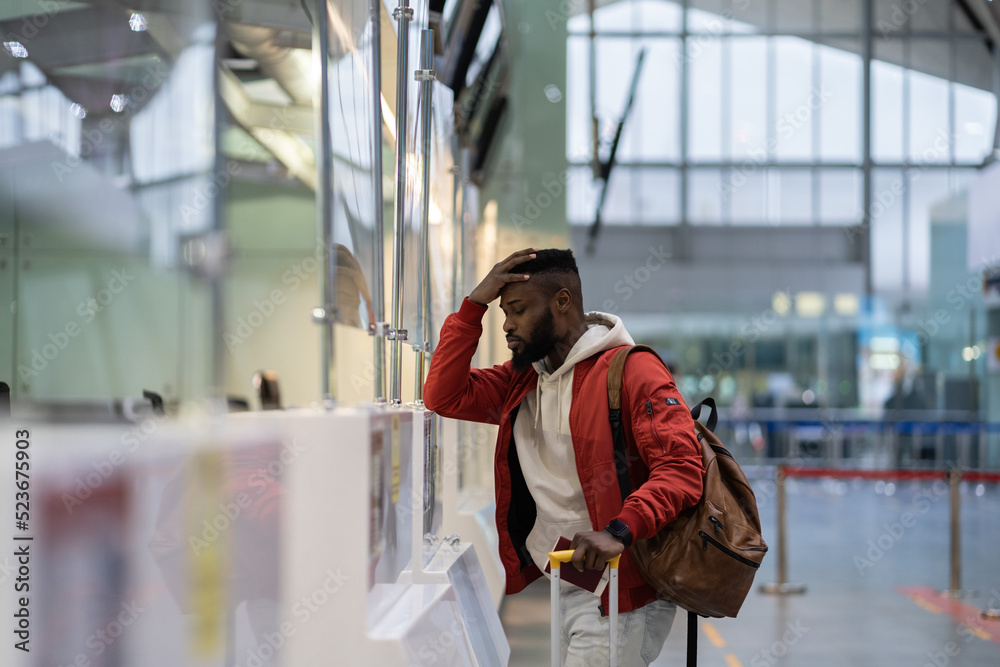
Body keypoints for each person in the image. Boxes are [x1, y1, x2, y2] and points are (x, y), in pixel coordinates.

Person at [423, 248, 704, 666]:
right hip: (567, 576)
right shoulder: (522, 381)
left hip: (620, 586)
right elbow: (443, 395)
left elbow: (682, 468)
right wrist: (473, 306)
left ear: (562, 302)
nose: (507, 324)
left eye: (517, 309)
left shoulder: (632, 372)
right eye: (503, 312)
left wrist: (619, 530)